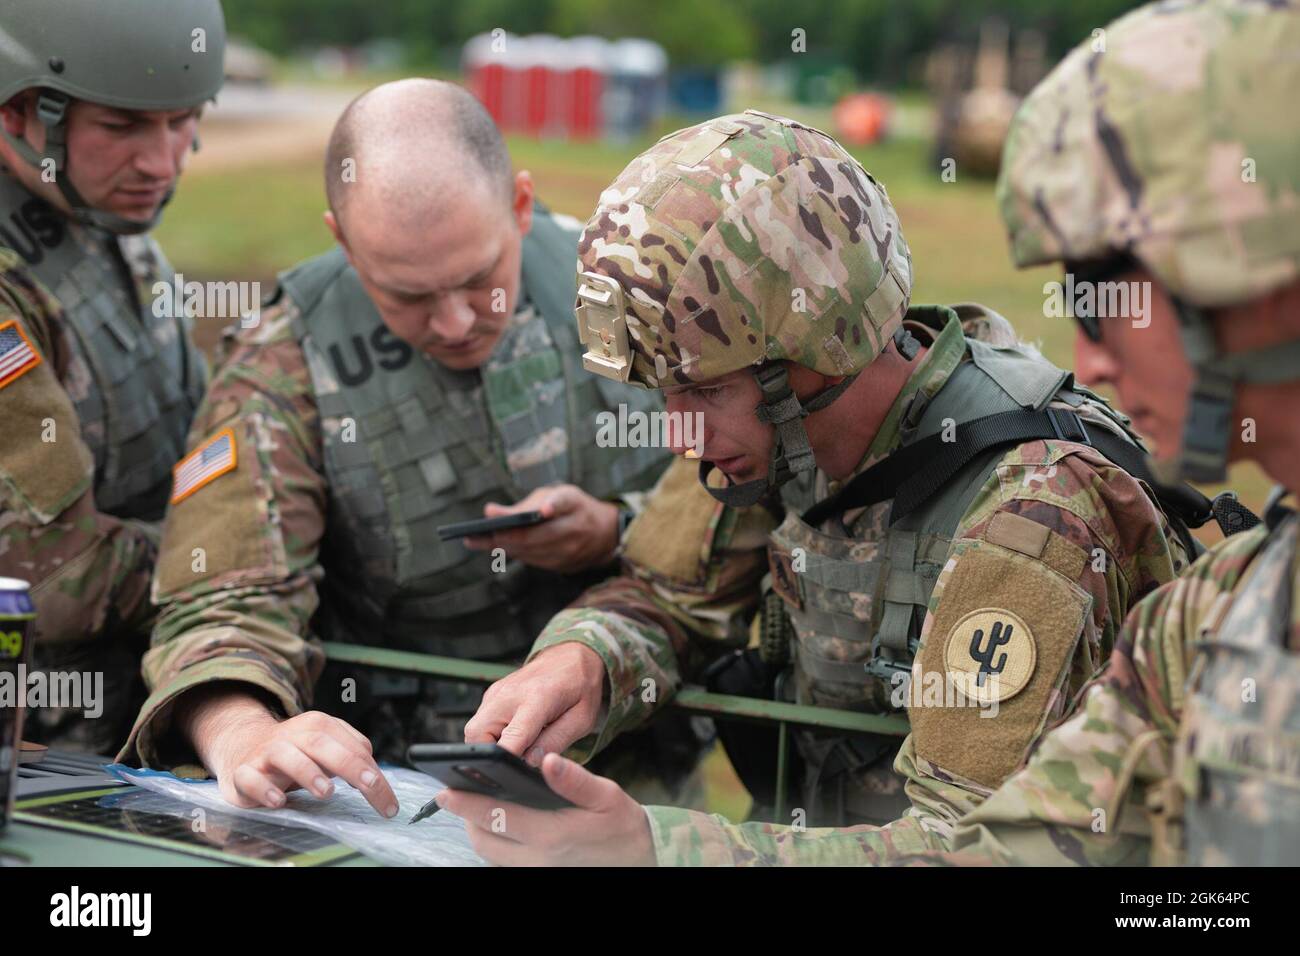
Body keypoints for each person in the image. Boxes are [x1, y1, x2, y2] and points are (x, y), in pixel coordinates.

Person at [446, 109, 1207, 864]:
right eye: (664, 396)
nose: (678, 435)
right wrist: (580, 663)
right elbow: (663, 596)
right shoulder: (768, 433)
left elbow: (973, 849)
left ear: (816, 353)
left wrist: (657, 850)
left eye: (703, 395)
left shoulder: (1033, 512)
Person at [115, 79, 670, 818]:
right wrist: (241, 729)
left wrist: (616, 527)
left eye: (479, 281)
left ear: (521, 205)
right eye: (406, 295)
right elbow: (222, 595)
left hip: (638, 773)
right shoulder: (284, 362)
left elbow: (751, 507)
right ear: (343, 241)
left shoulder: (634, 287)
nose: (453, 322)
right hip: (402, 796)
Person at [920, 0, 1300, 866]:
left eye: (1099, 296)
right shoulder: (1221, 612)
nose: (1088, 363)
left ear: (1247, 267)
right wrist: (652, 845)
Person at [0, 0, 225, 752]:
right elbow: (56, 581)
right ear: (19, 110)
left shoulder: (98, 218)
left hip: (135, 706)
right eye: (123, 126)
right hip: (38, 753)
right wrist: (246, 550)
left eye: (182, 120)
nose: (163, 164)